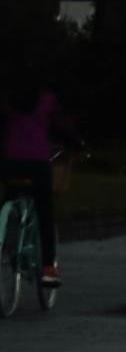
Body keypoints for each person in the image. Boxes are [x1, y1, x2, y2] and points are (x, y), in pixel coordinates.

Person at [0, 76, 78, 288]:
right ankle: (48, 269)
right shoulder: (47, 101)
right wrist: (75, 142)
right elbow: (62, 128)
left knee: (9, 198)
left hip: (10, 163)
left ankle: (6, 238)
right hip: (37, 165)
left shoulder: (7, 100)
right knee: (44, 213)